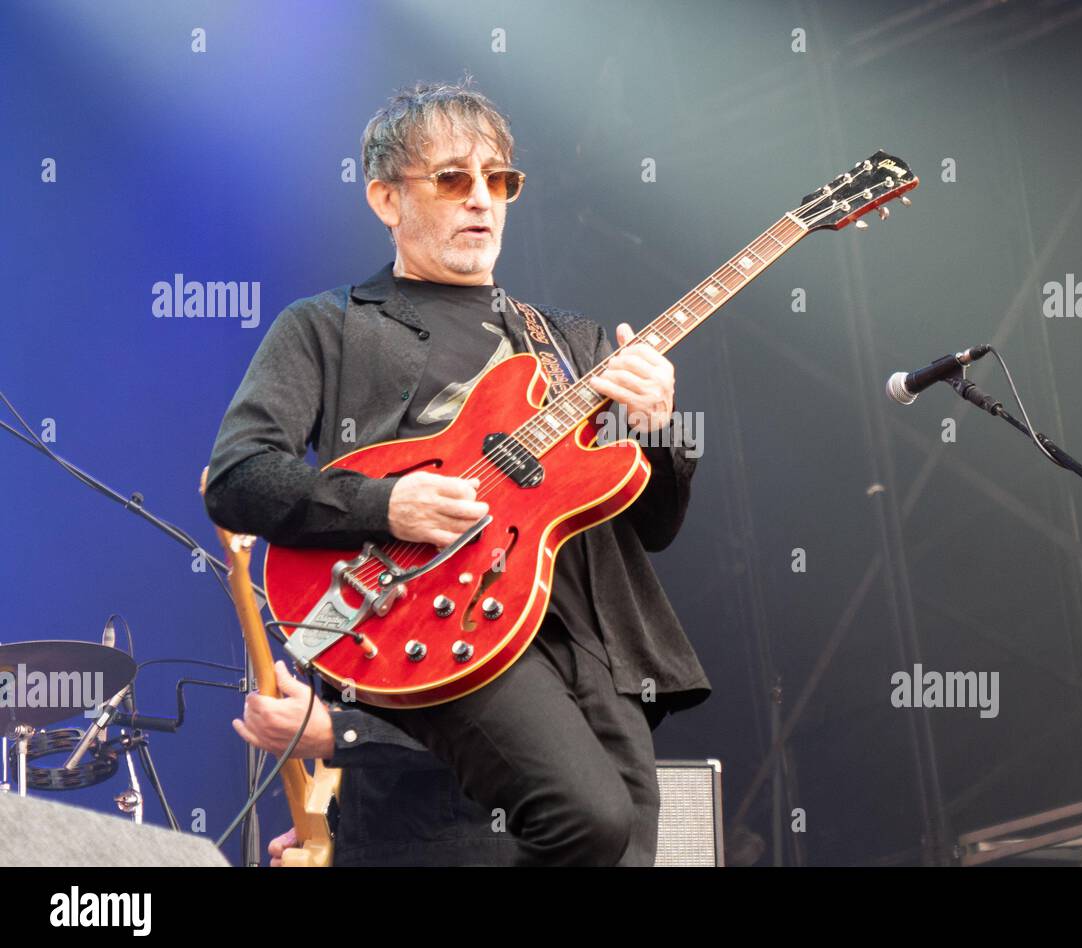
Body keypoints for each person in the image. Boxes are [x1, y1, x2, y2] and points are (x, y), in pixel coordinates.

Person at [205, 80, 710, 866]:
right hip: (434, 638)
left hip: (590, 646)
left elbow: (655, 528)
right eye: (452, 178)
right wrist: (385, 503)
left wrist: (656, 428)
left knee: (617, 842)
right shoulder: (327, 327)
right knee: (585, 820)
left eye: (499, 180)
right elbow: (237, 476)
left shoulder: (568, 343)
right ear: (385, 198)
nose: (482, 200)